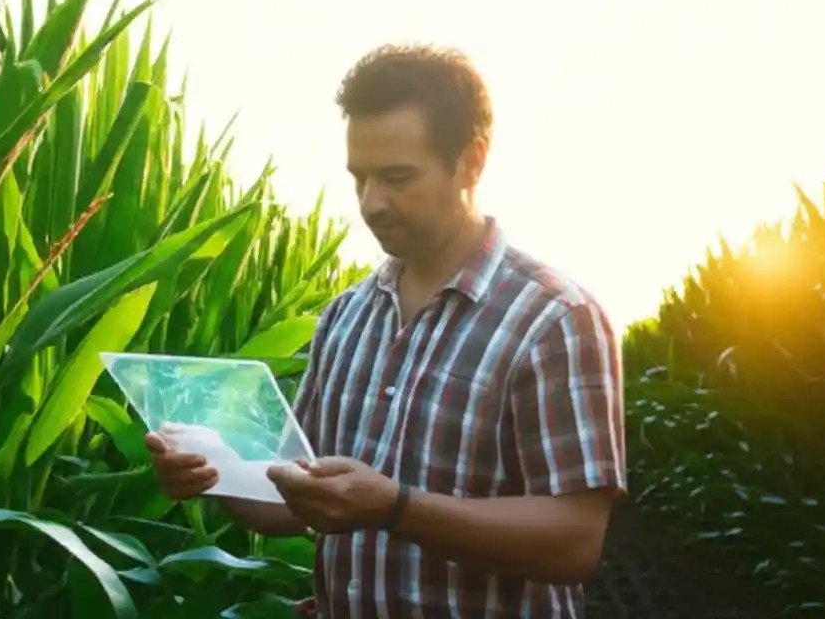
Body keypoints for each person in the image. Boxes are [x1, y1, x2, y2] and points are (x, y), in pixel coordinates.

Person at [145, 43, 626, 618]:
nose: (371, 203)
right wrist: (217, 472)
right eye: (360, 178)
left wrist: (395, 508)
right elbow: (297, 501)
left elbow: (574, 542)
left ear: (471, 162)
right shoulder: (345, 317)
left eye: (397, 177)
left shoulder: (553, 320)